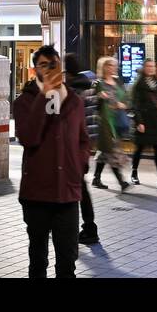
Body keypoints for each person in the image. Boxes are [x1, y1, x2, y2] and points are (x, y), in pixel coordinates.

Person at [14, 46, 92, 278]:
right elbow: (29, 137)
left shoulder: (74, 101)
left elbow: (83, 140)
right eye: (43, 65)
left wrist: (79, 165)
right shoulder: (24, 102)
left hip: (67, 194)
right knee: (38, 260)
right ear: (35, 69)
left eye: (53, 64)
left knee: (67, 261)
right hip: (36, 194)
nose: (49, 70)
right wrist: (43, 97)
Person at [64, 53, 100, 246]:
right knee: (80, 187)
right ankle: (88, 227)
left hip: (72, 145)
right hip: (85, 143)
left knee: (75, 187)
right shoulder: (89, 86)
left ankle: (88, 227)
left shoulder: (71, 91)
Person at [91, 55, 131, 191]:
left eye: (114, 65)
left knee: (104, 151)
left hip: (118, 122)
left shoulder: (118, 82)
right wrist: (99, 97)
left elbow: (126, 99)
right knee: (112, 151)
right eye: (110, 65)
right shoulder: (98, 84)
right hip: (106, 123)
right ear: (104, 68)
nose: (114, 68)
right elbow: (91, 102)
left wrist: (123, 105)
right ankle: (121, 181)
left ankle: (96, 178)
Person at [130, 60, 157, 188]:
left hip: (156, 121)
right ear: (144, 68)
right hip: (144, 121)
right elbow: (134, 105)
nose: (151, 68)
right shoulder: (138, 84)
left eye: (153, 66)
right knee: (139, 148)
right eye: (148, 66)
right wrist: (139, 122)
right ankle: (134, 172)